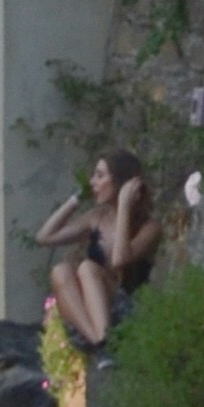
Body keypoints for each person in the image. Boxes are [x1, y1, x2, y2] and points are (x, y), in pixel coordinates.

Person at [37, 150, 158, 352]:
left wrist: (124, 207)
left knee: (87, 268)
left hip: (127, 309)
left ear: (121, 183)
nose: (93, 181)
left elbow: (120, 260)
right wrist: (77, 198)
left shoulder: (150, 227)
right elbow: (44, 237)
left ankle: (103, 339)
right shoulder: (96, 217)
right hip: (90, 317)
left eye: (100, 176)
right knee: (60, 271)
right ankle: (100, 342)